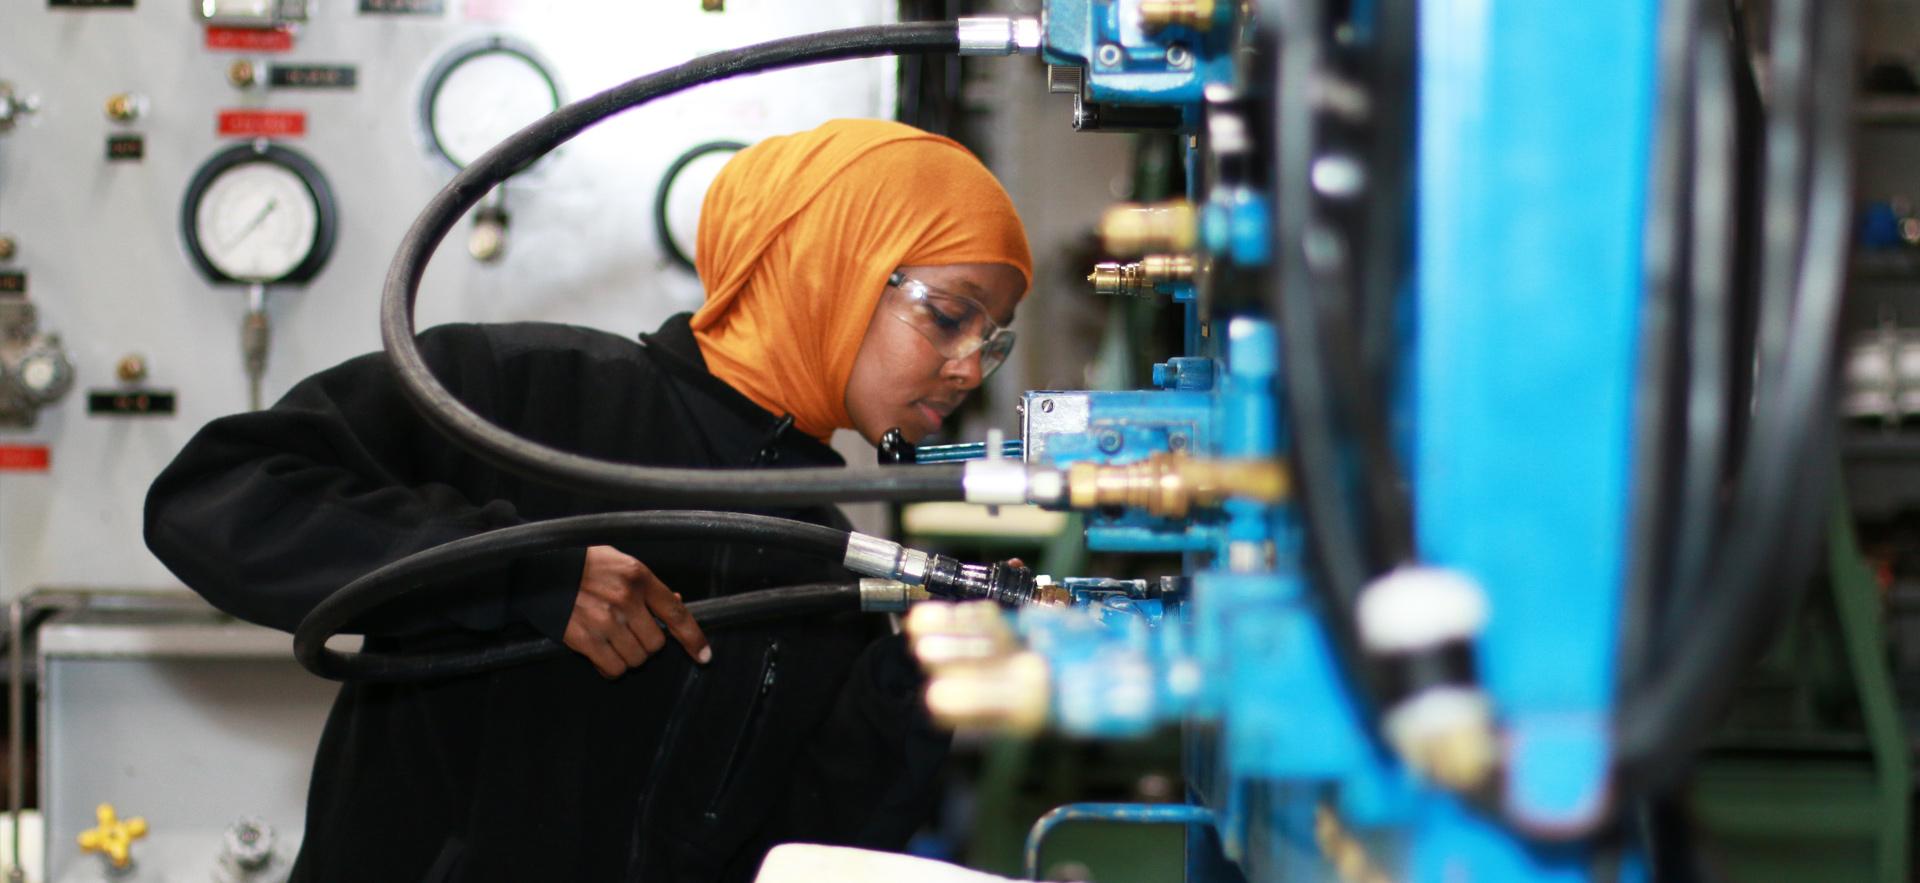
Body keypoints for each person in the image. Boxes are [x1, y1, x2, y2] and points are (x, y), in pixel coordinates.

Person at [143, 118, 1032, 882]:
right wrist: (524, 572)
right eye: (950, 315)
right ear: (829, 261)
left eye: (991, 341)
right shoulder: (523, 396)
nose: (968, 365)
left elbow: (797, 850)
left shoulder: (818, 559)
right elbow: (215, 492)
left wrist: (916, 681)